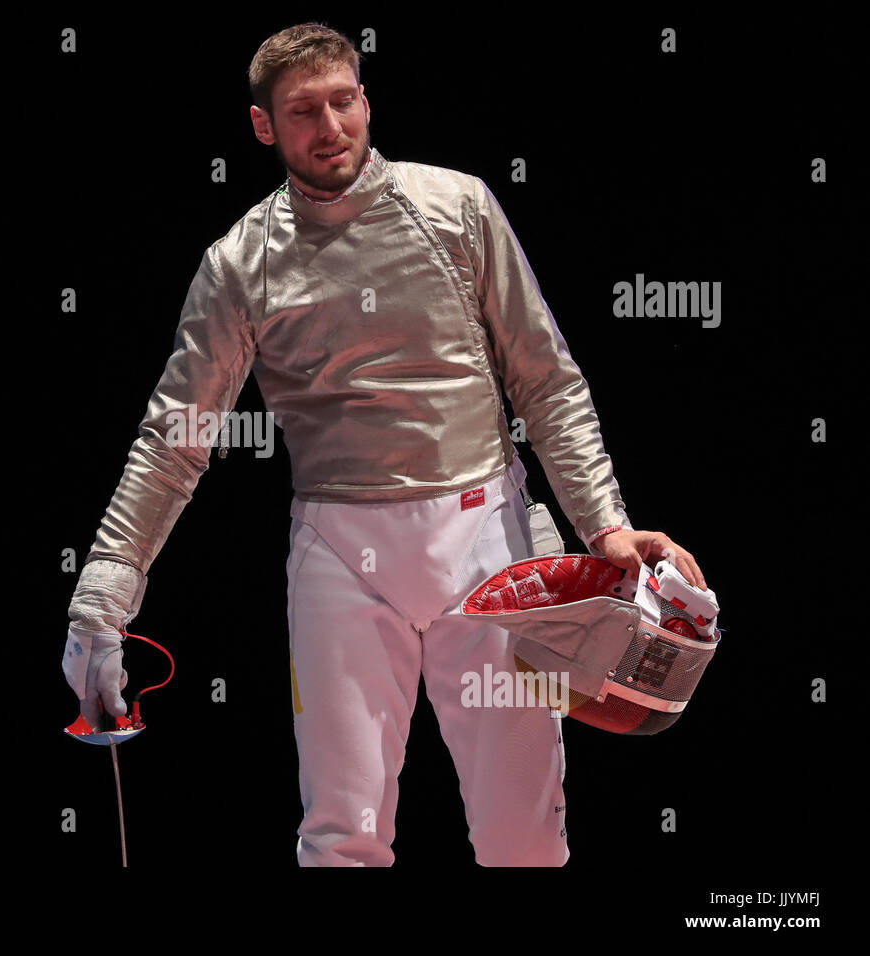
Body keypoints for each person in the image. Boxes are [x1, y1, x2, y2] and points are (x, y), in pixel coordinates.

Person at [63, 21, 706, 866]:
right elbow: (173, 440)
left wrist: (605, 526)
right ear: (264, 126)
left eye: (343, 102)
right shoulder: (239, 264)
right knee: (340, 837)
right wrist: (103, 596)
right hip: (338, 553)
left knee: (528, 832)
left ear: (365, 100)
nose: (330, 127)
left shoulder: (461, 207)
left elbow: (547, 382)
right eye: (303, 112)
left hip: (493, 550)